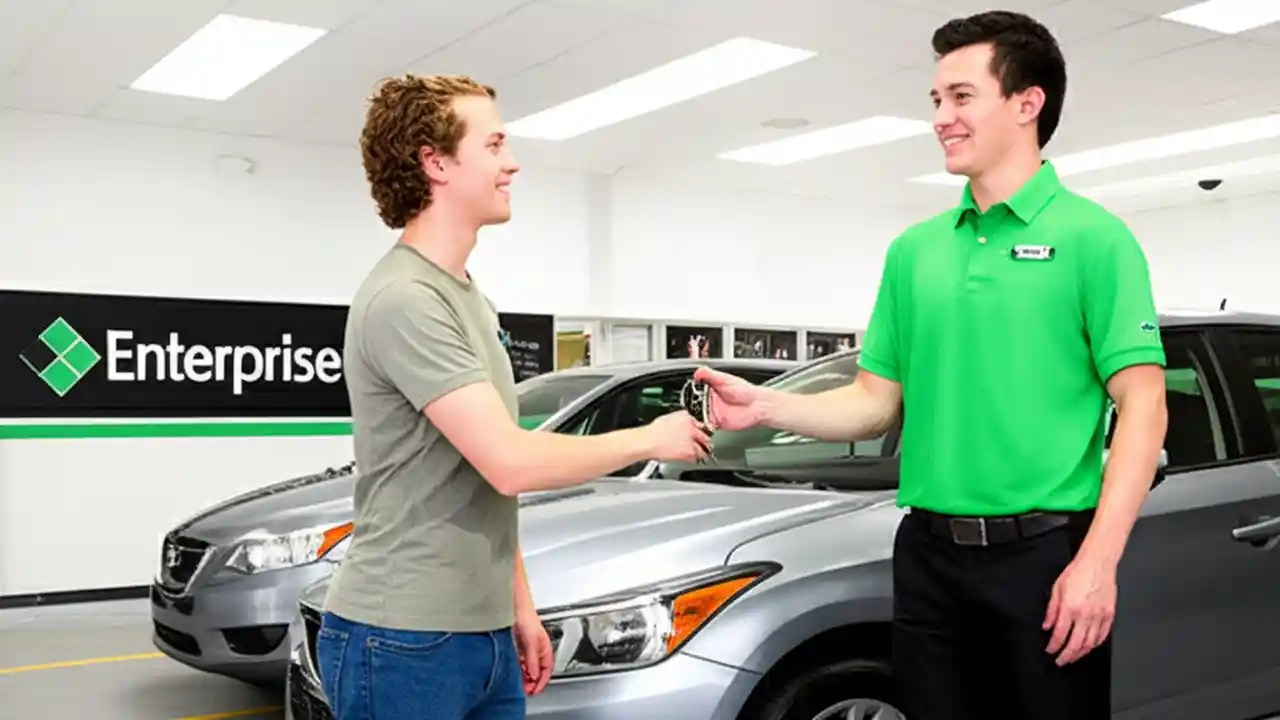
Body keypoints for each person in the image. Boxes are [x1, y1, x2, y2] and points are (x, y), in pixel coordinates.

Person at [695, 11, 1167, 720]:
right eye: (936, 101)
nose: (941, 117)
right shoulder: (914, 253)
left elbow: (1145, 406)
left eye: (961, 96)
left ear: (1026, 103)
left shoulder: (1096, 240)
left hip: (1044, 557)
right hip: (928, 557)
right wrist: (766, 408)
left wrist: (1096, 564)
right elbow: (873, 401)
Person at [316, 74, 711, 720]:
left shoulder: (468, 296)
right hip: (402, 639)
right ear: (435, 161)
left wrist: (518, 607)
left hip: (483, 632)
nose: (512, 162)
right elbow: (511, 460)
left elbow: (486, 483)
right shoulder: (405, 300)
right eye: (494, 144)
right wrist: (650, 437)